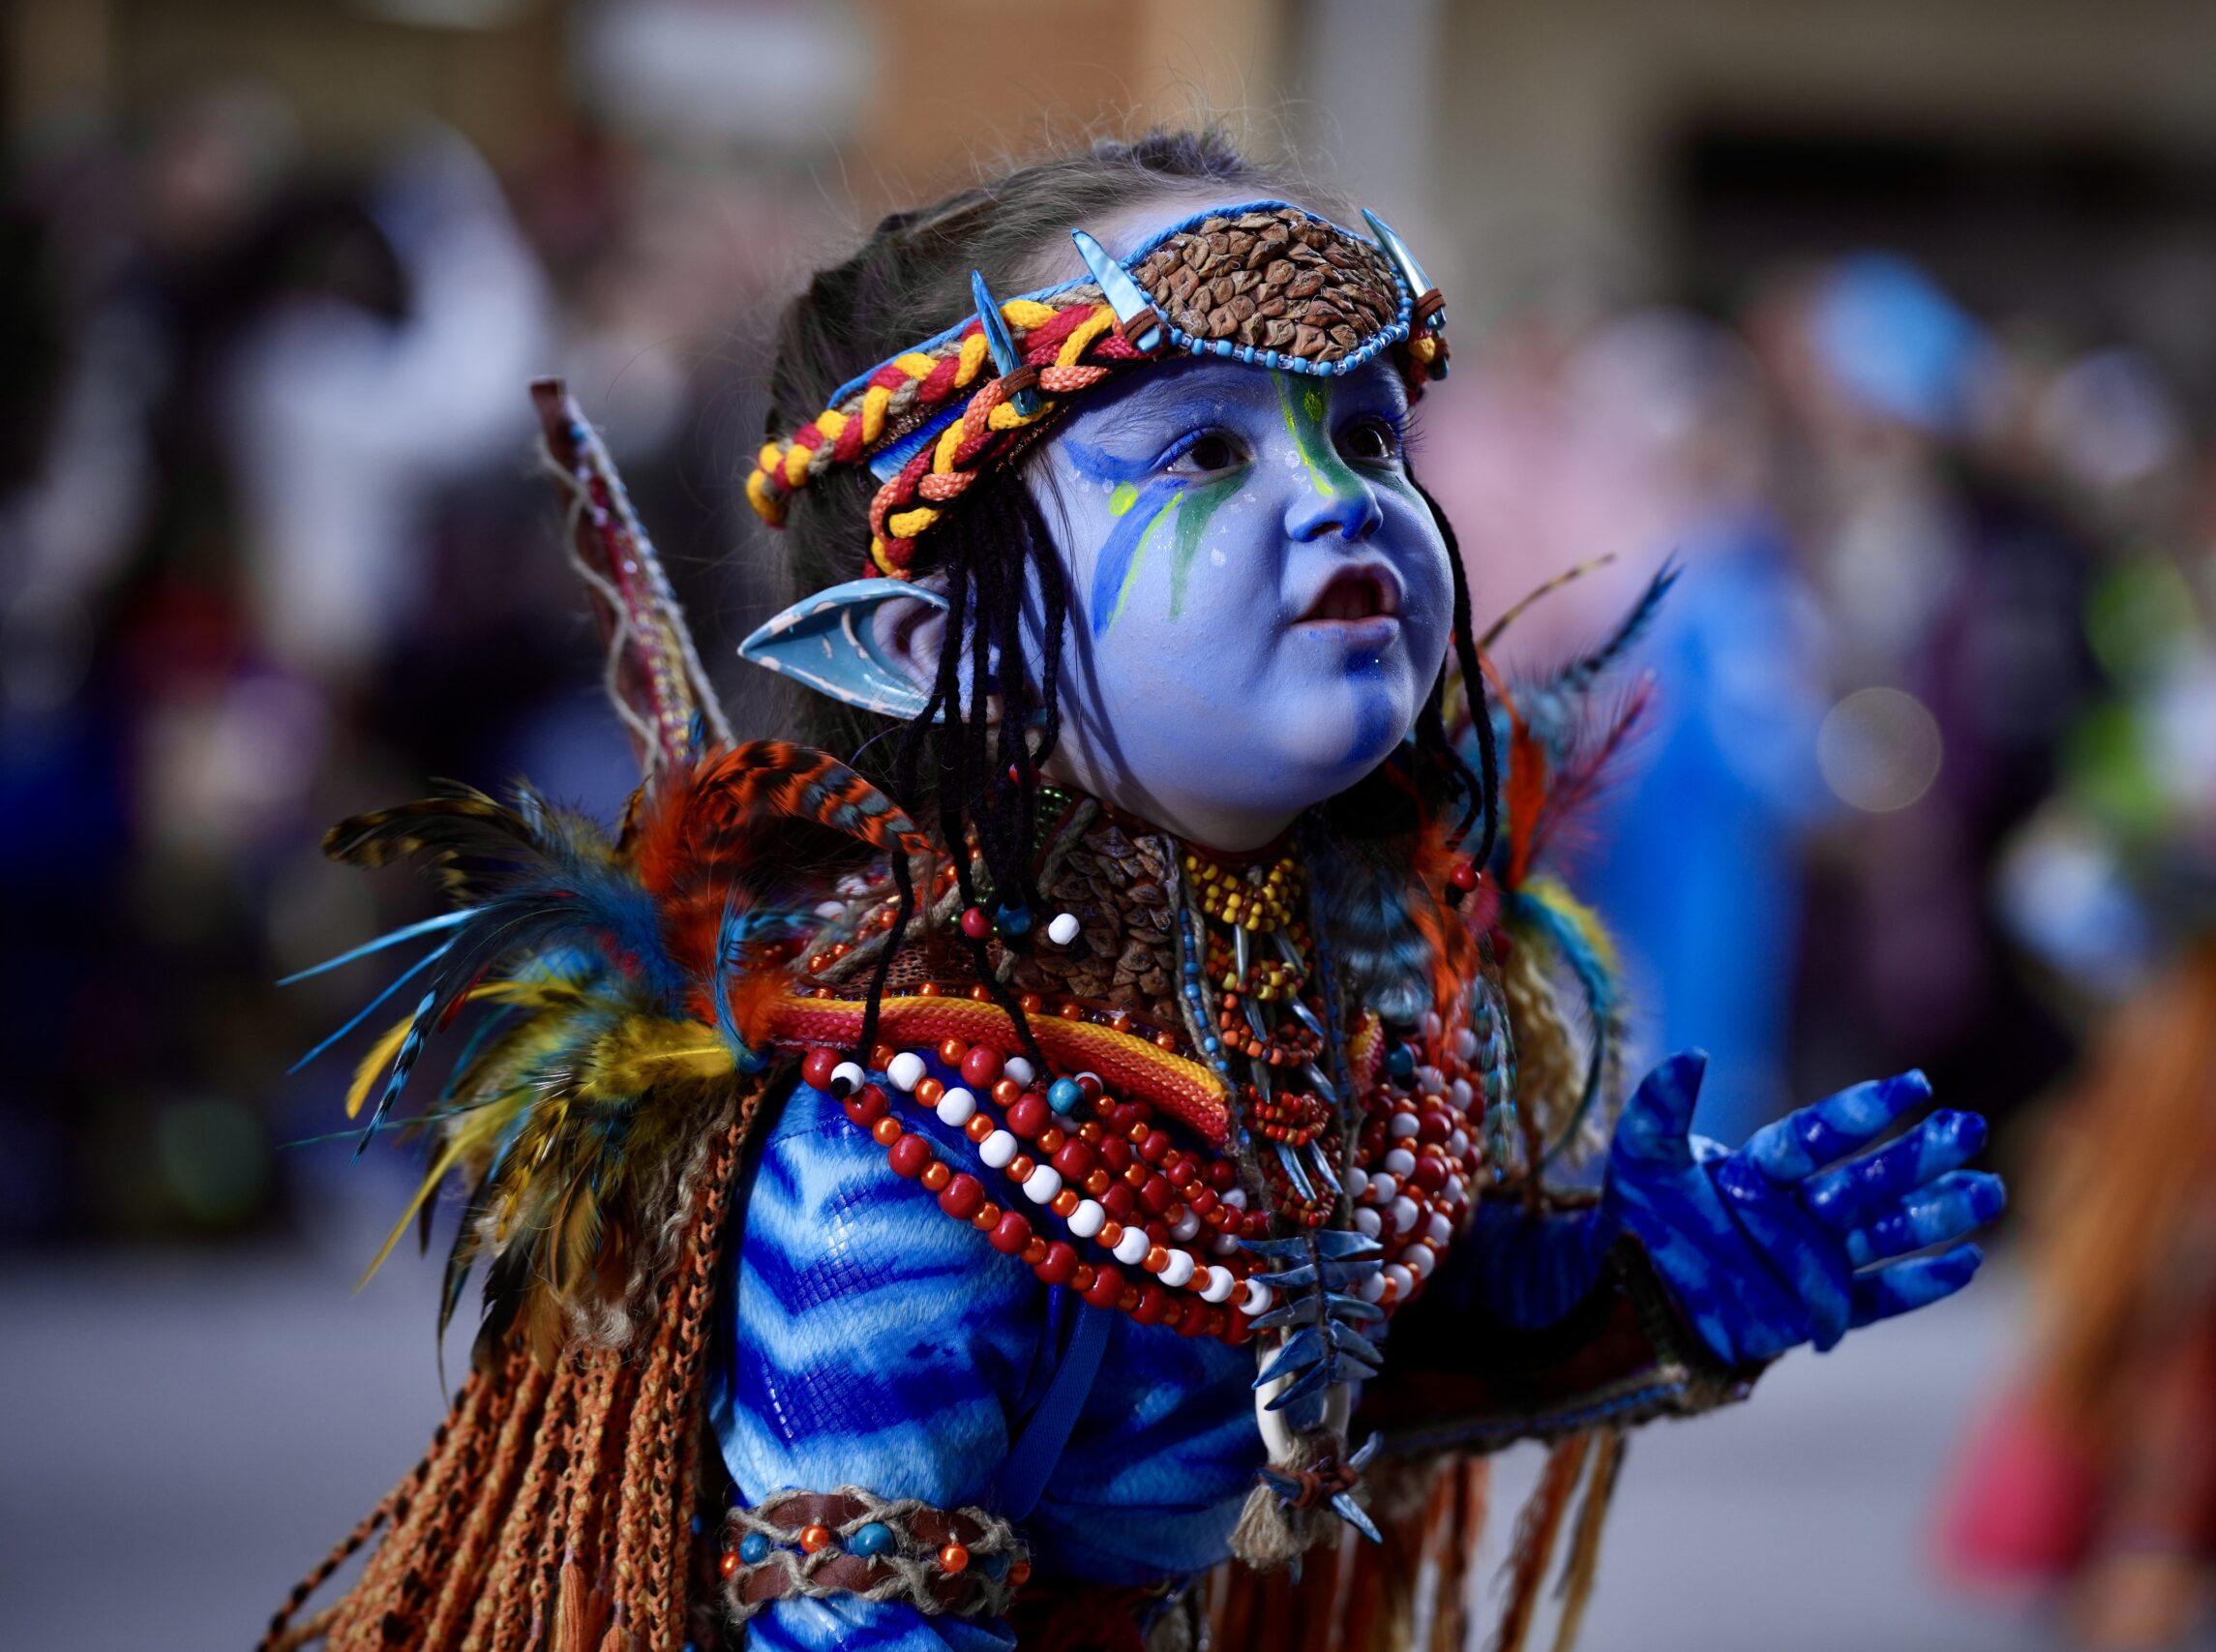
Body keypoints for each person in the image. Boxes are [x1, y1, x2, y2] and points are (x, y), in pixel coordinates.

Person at [265, 133, 2001, 1652]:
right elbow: (845, 1612)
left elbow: (1335, 1370)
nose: (1341, 505)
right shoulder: (909, 1119)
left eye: (1368, 437)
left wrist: (1657, 1290)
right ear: (927, 643)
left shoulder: (1340, 993)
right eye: (1205, 456)